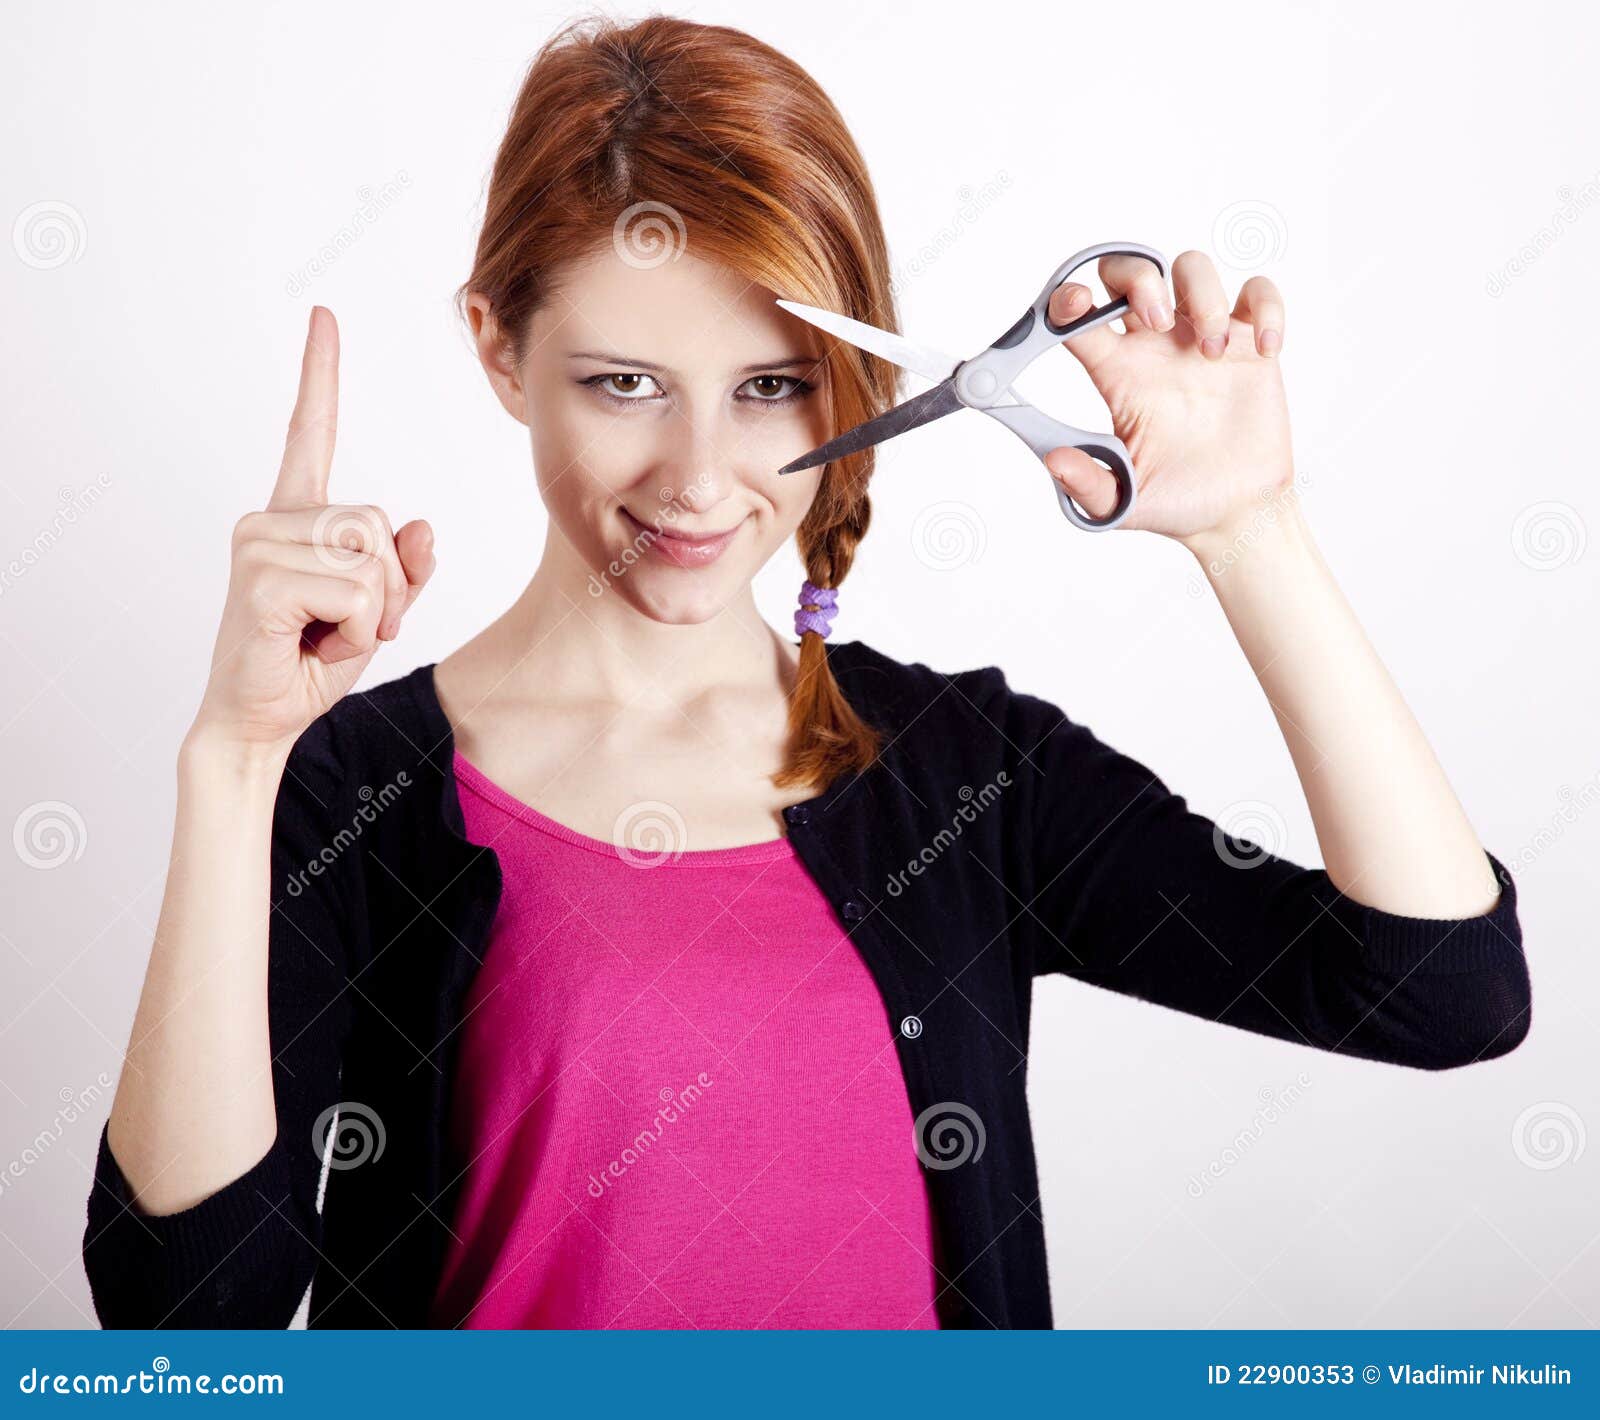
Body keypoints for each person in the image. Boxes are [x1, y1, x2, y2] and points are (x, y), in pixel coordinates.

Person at [81, 13, 1531, 1331]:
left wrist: (1251, 530)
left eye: (771, 387)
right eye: (625, 383)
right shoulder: (353, 788)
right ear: (499, 350)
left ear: (852, 387)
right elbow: (178, 1319)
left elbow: (1437, 994)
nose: (701, 477)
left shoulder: (966, 776)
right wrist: (234, 760)